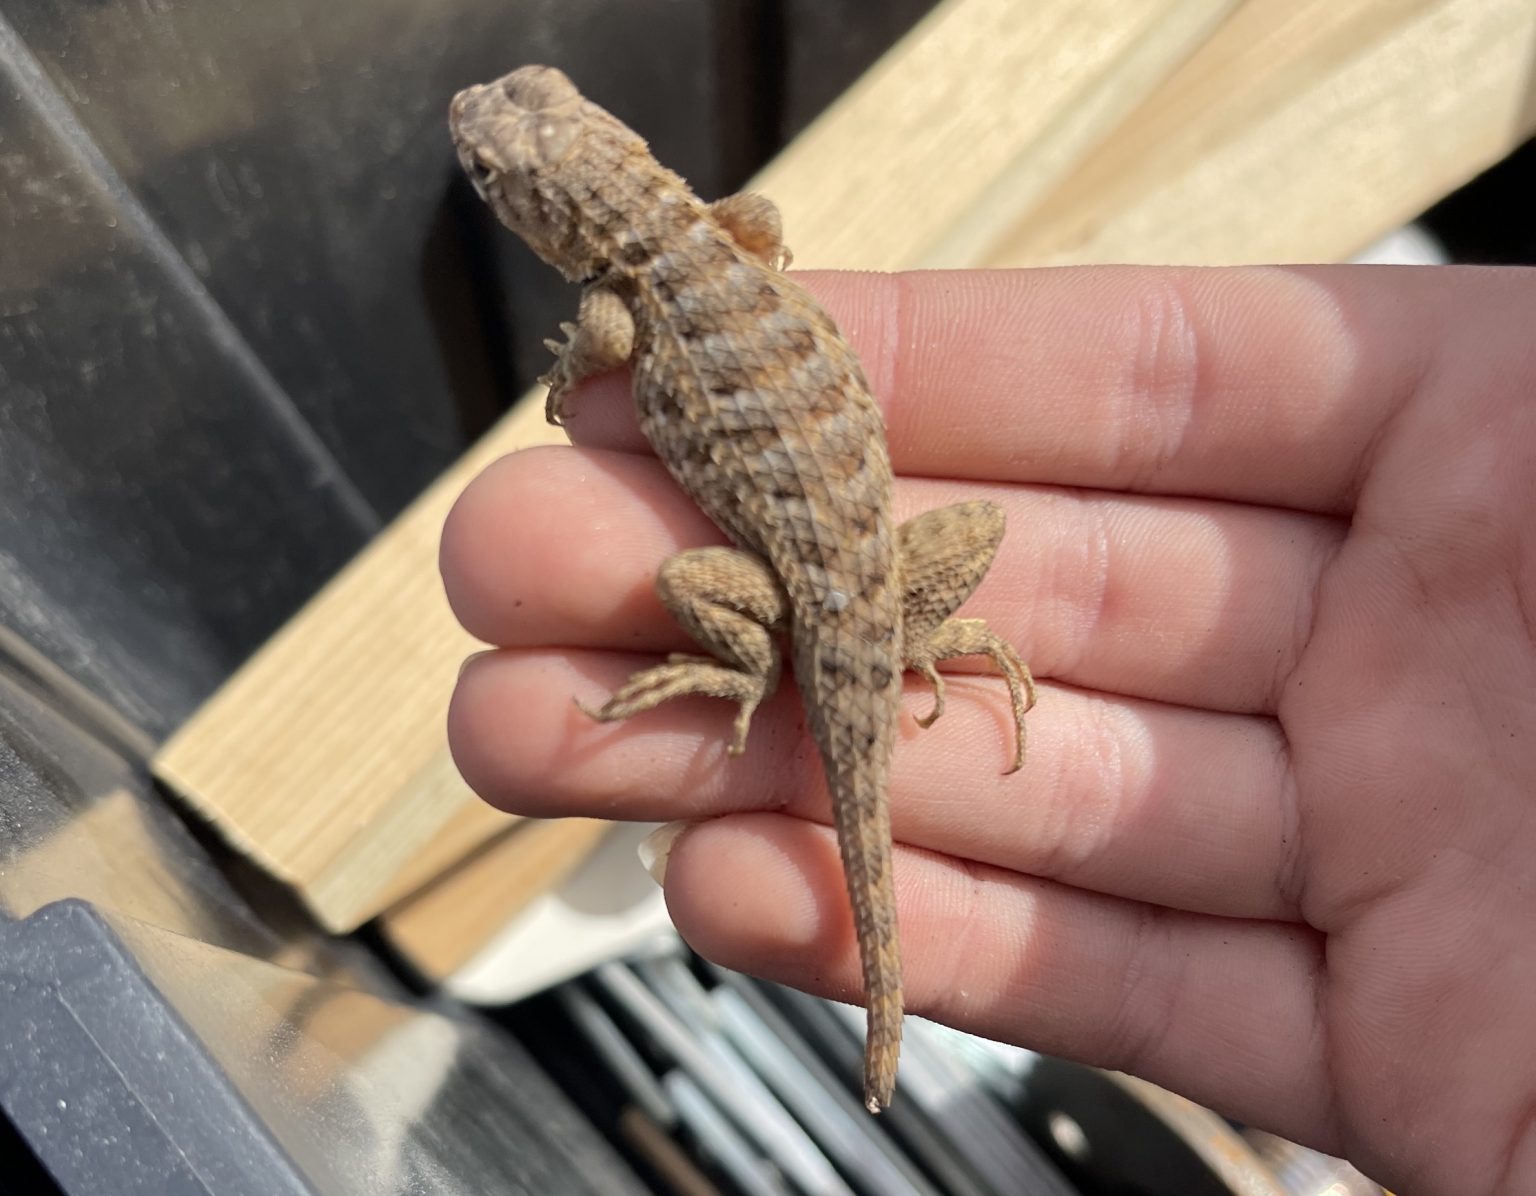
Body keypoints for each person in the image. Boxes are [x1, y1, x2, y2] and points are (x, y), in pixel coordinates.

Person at [441, 266, 1536, 1196]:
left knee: (692, 584)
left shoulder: (626, 301)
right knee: (937, 545)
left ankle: (762, 670)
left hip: (808, 594)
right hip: (855, 578)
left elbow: (616, 329)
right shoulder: (712, 244)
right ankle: (829, 672)